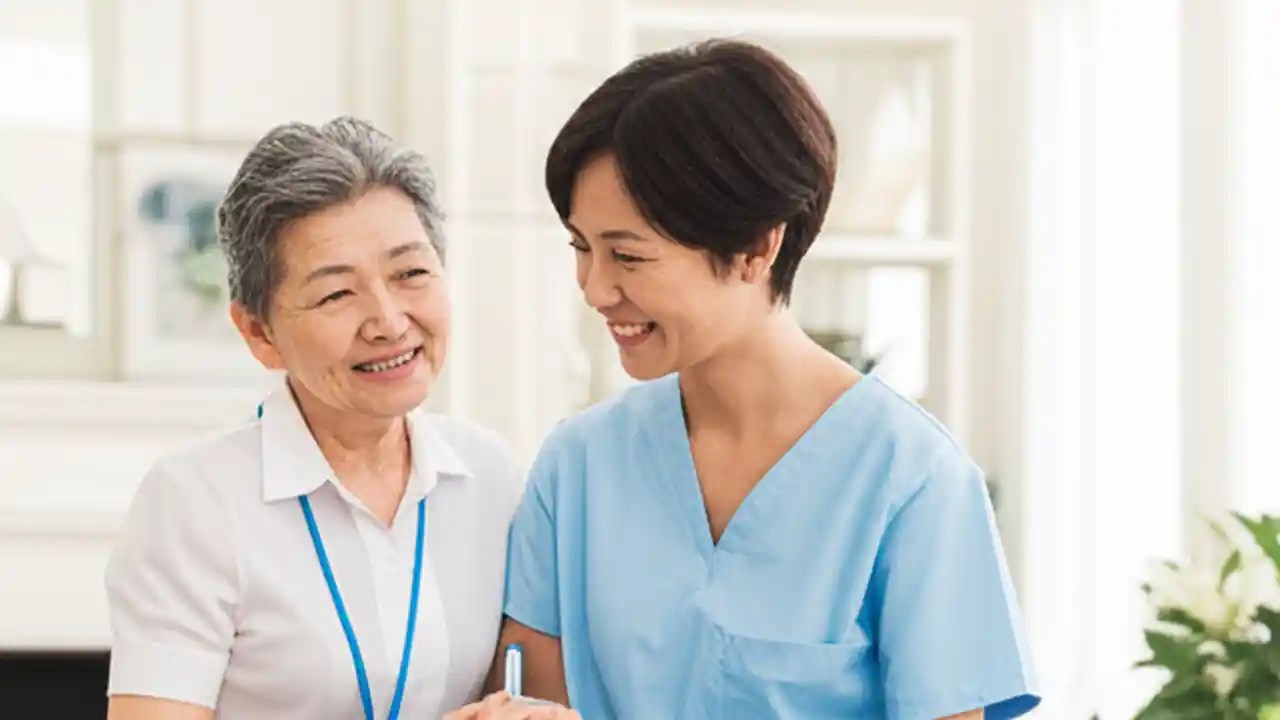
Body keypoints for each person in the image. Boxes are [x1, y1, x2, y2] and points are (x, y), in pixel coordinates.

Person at [487, 40, 1041, 719]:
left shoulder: (912, 482)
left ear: (756, 247)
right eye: (581, 247)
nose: (596, 289)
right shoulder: (577, 468)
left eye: (628, 255)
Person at [105, 117, 575, 720]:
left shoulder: (492, 477)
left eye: (411, 274)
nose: (388, 321)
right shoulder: (195, 500)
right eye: (335, 294)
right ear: (259, 333)